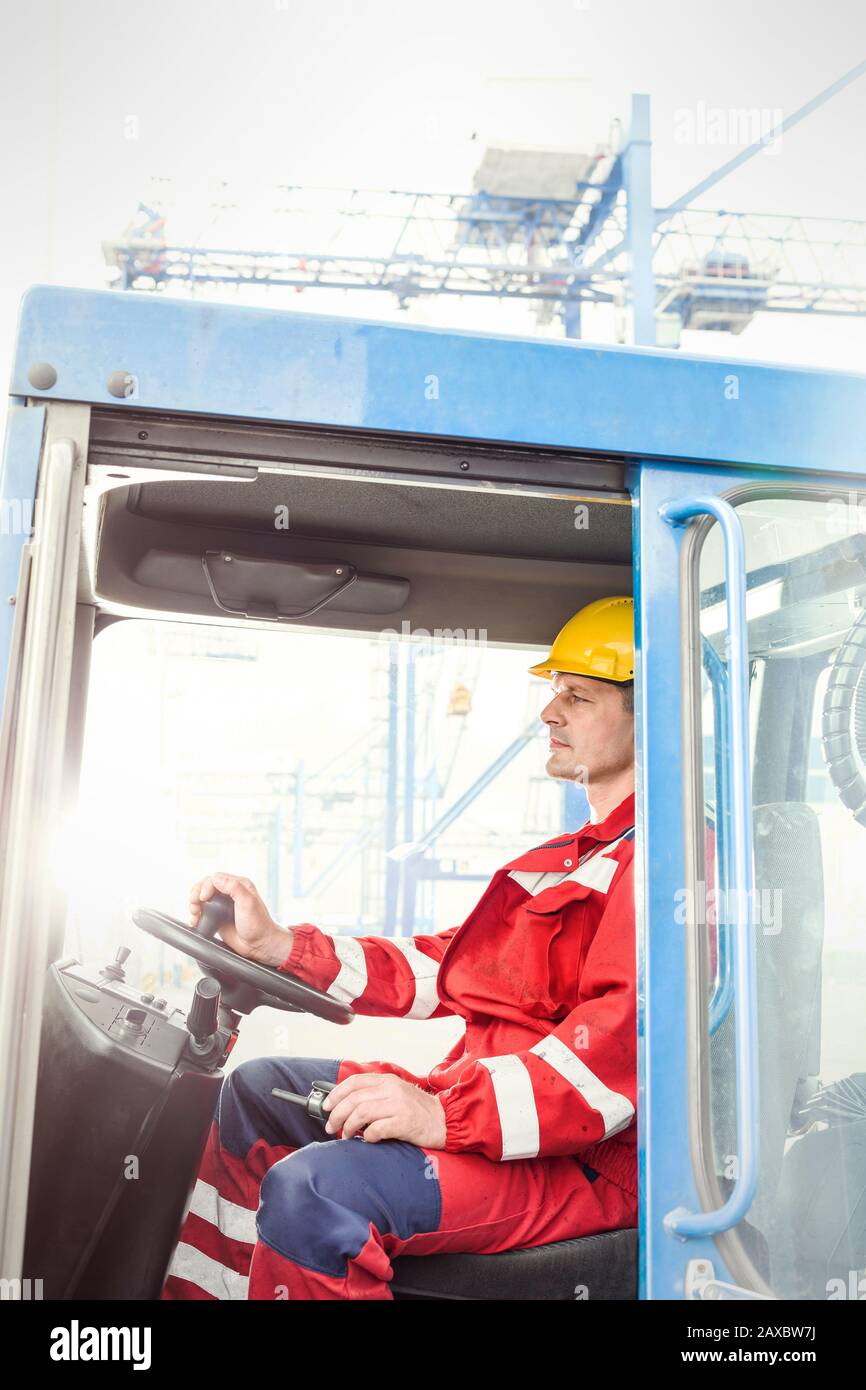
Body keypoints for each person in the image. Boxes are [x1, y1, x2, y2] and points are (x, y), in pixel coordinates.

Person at [162, 595, 638, 1300]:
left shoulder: (668, 863)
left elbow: (611, 1067)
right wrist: (280, 948)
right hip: (501, 1117)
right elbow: (444, 971)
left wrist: (439, 1113)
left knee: (316, 1192)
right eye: (552, 692)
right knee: (255, 1095)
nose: (549, 713)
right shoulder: (571, 860)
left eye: (577, 695)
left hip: (584, 1160)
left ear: (654, 713)